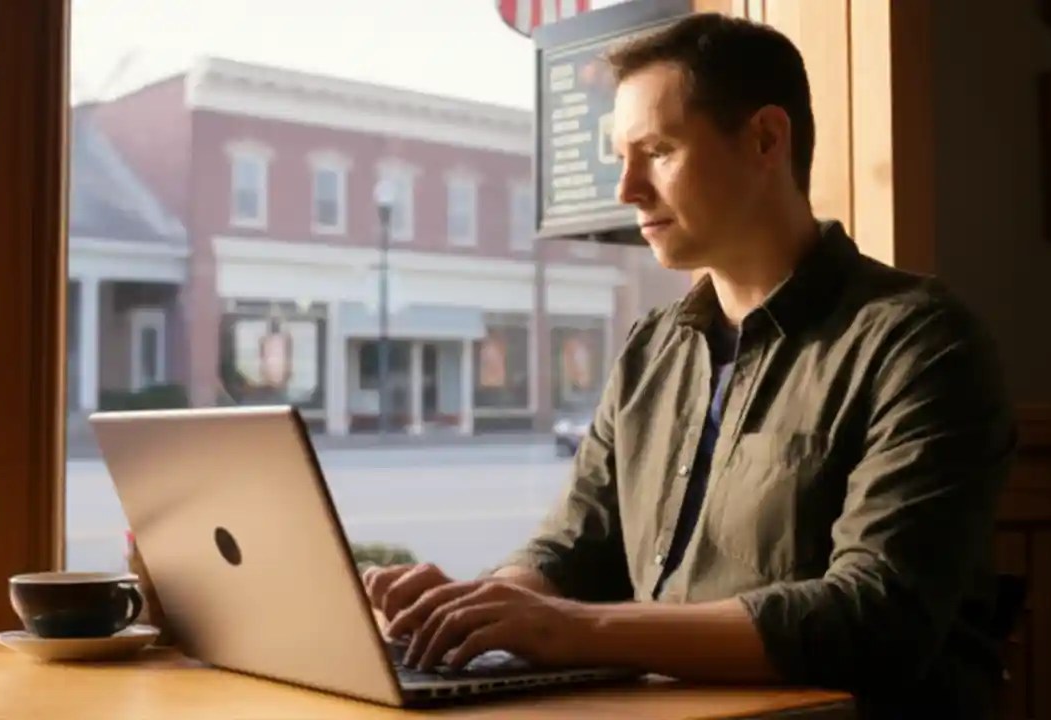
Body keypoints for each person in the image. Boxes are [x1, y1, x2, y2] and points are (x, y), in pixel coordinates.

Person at [363, 13, 1015, 717]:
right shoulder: (651, 349)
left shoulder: (919, 341)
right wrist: (476, 608)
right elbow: (572, 545)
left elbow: (873, 618)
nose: (626, 190)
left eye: (658, 151)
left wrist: (578, 630)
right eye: (621, 157)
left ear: (767, 140)